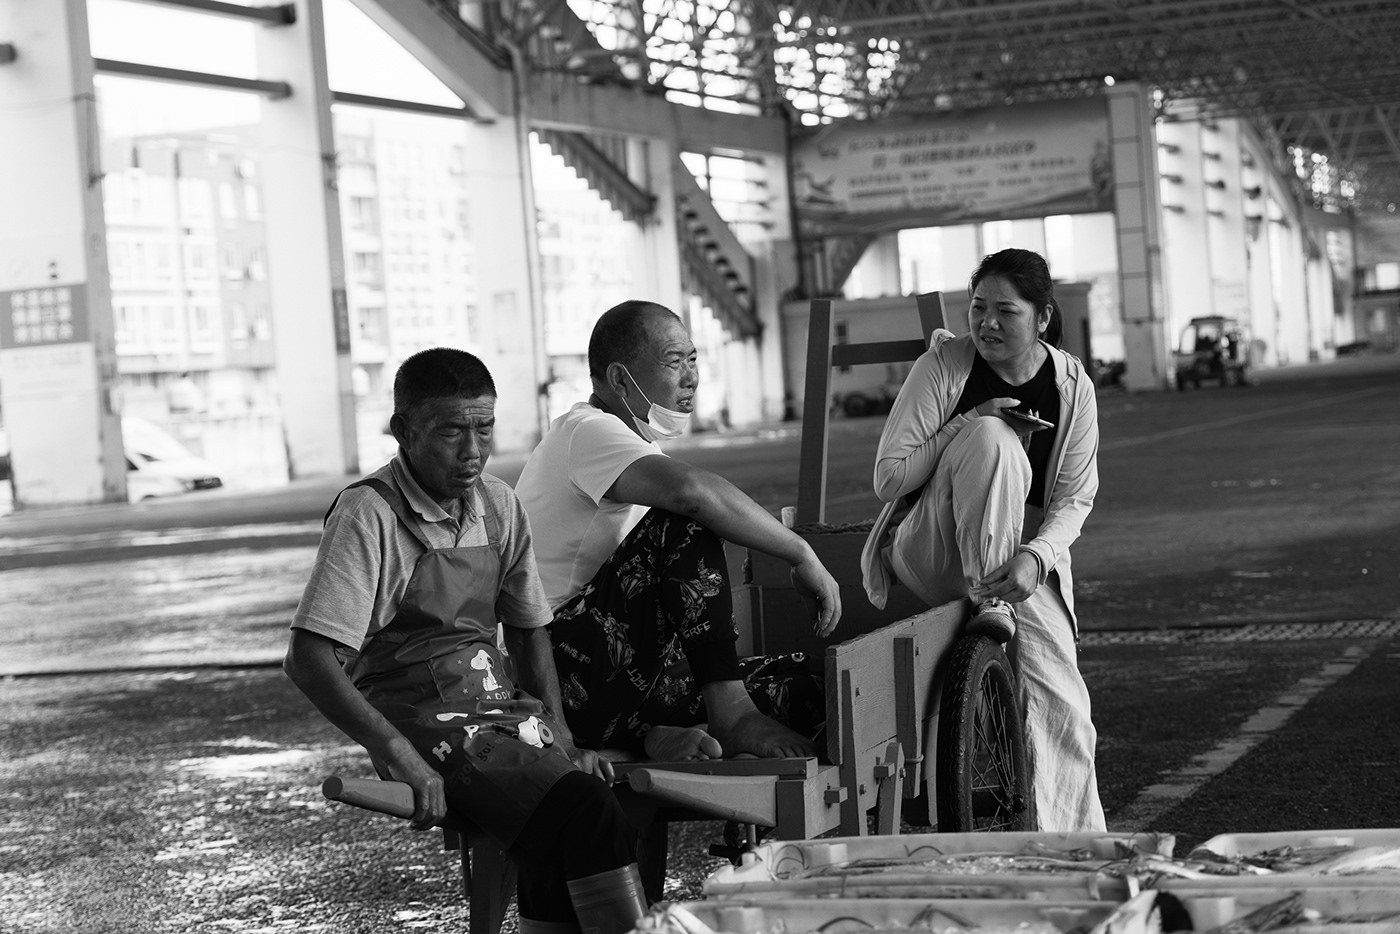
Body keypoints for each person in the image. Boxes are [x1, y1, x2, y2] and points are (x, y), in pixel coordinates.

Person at [284, 348, 646, 934]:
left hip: (497, 707)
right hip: (419, 722)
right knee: (583, 812)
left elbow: (528, 632)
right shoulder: (367, 514)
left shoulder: (498, 504)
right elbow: (308, 658)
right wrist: (399, 756)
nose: (472, 450)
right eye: (451, 431)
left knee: (580, 806)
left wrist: (562, 737)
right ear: (403, 430)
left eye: (484, 428)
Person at [515, 300, 842, 762]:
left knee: (806, 685)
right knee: (686, 520)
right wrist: (801, 554)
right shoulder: (585, 432)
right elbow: (694, 494)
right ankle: (729, 716)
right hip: (565, 676)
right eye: (674, 361)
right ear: (620, 380)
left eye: (692, 359)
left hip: (622, 681)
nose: (691, 378)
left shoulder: (635, 449)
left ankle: (653, 735)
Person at [860, 248, 1106, 832]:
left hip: (1016, 564)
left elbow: (1074, 499)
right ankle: (993, 607)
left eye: (1005, 311)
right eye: (977, 308)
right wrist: (970, 421)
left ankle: (1069, 858)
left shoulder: (1073, 387)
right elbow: (888, 479)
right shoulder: (944, 366)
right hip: (933, 549)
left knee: (1066, 710)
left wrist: (1035, 557)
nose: (987, 323)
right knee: (995, 437)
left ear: (1042, 318)